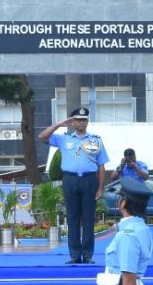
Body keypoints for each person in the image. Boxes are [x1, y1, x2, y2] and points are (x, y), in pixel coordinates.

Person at [44, 107, 110, 264]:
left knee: (88, 219)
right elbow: (43, 136)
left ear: (87, 122)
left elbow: (101, 166)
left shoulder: (96, 140)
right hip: (70, 180)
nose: (81, 122)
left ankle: (87, 255)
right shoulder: (64, 138)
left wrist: (101, 188)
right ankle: (74, 255)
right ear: (72, 122)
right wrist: (59, 124)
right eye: (78, 120)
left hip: (89, 181)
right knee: (72, 218)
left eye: (84, 120)